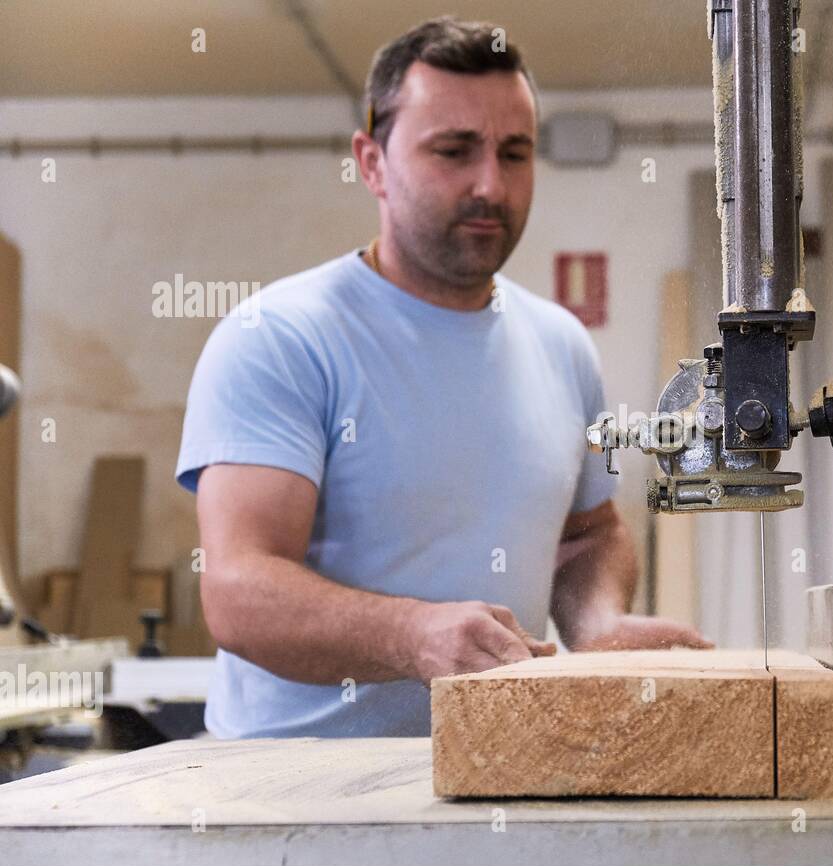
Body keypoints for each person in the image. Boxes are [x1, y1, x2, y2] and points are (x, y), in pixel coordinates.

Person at [176, 16, 709, 738]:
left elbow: (588, 539)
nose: (490, 184)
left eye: (514, 153)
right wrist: (411, 635)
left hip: (495, 768)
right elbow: (238, 589)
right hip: (293, 790)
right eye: (454, 151)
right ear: (372, 163)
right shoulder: (280, 338)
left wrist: (600, 625)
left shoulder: (561, 344)